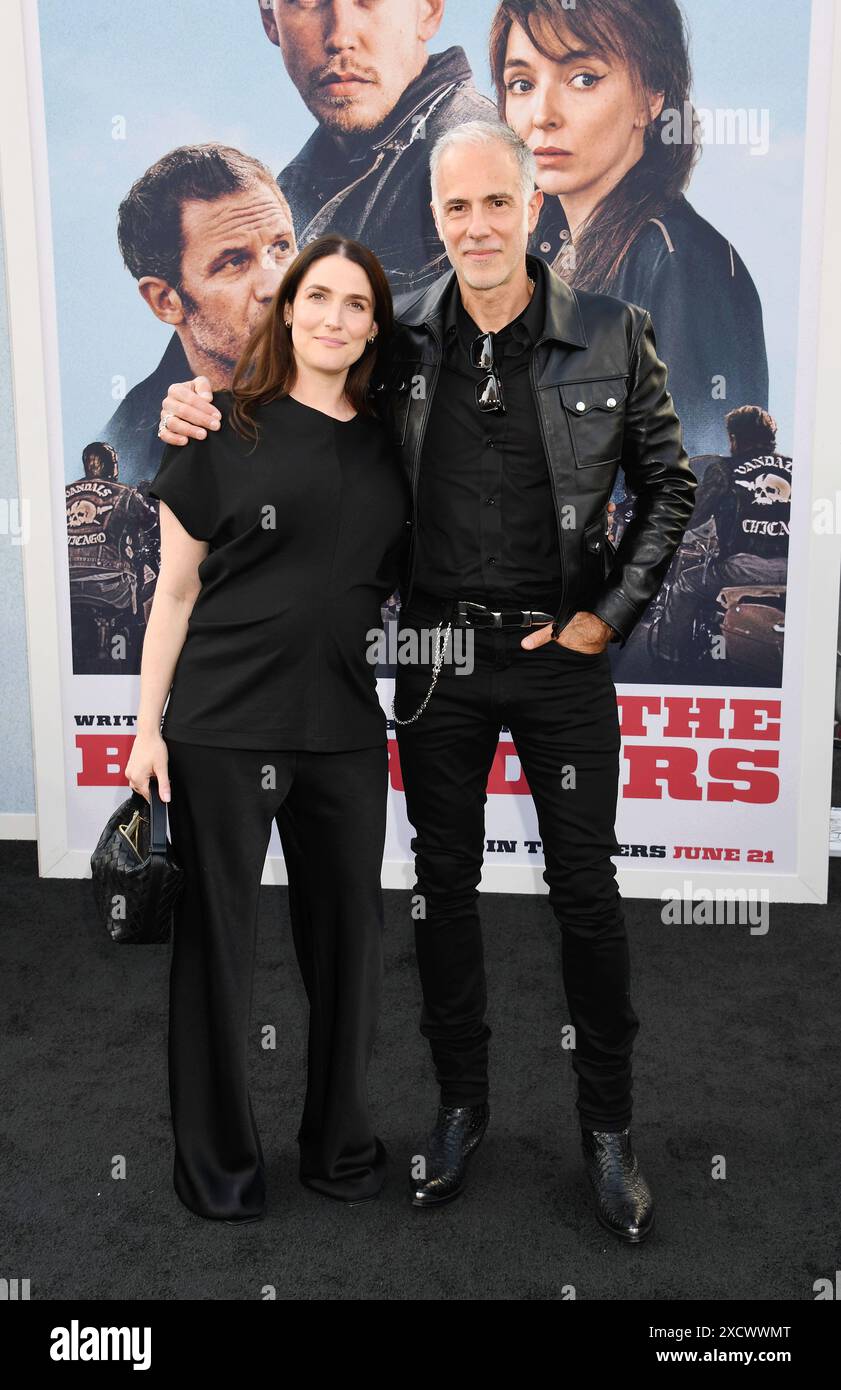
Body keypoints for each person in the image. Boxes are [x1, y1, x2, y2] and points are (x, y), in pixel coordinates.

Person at [156, 120, 698, 1244]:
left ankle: (608, 1132)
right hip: (435, 665)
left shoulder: (611, 333)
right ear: (436, 219)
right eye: (455, 209)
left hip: (560, 665)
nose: (476, 226)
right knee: (439, 896)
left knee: (584, 898)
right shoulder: (398, 335)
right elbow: (298, 385)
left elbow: (669, 486)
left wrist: (605, 617)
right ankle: (459, 1110)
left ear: (530, 205)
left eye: (495, 203)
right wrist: (193, 409)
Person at [125, 235, 411, 1222]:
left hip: (340, 731)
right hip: (218, 726)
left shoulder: (392, 441)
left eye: (355, 304)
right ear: (287, 311)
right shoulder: (214, 431)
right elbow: (172, 592)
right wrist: (145, 727)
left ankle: (339, 1150)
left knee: (350, 950)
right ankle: (219, 1171)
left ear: (374, 327)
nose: (334, 316)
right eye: (316, 296)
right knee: (217, 948)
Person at [490, 0, 769, 461]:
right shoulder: (537, 256)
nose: (542, 114)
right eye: (521, 84)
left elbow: (706, 494)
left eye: (583, 78)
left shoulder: (681, 262)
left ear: (651, 96)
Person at [263, 0, 495, 293]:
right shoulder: (277, 200)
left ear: (429, 10)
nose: (340, 38)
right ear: (270, 18)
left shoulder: (502, 166)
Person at [102, 144, 298, 487]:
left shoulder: (376, 359)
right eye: (234, 262)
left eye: (281, 247)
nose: (276, 284)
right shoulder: (130, 461)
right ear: (166, 301)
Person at [655, 405, 790, 665]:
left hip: (743, 568)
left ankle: (667, 663)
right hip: (794, 569)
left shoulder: (725, 469)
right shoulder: (794, 468)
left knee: (685, 585)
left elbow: (694, 516)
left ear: (735, 438)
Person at [66, 443, 158, 673]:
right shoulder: (124, 493)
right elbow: (149, 520)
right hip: (110, 584)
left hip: (65, 584)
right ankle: (139, 653)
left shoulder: (62, 493)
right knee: (152, 588)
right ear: (109, 463)